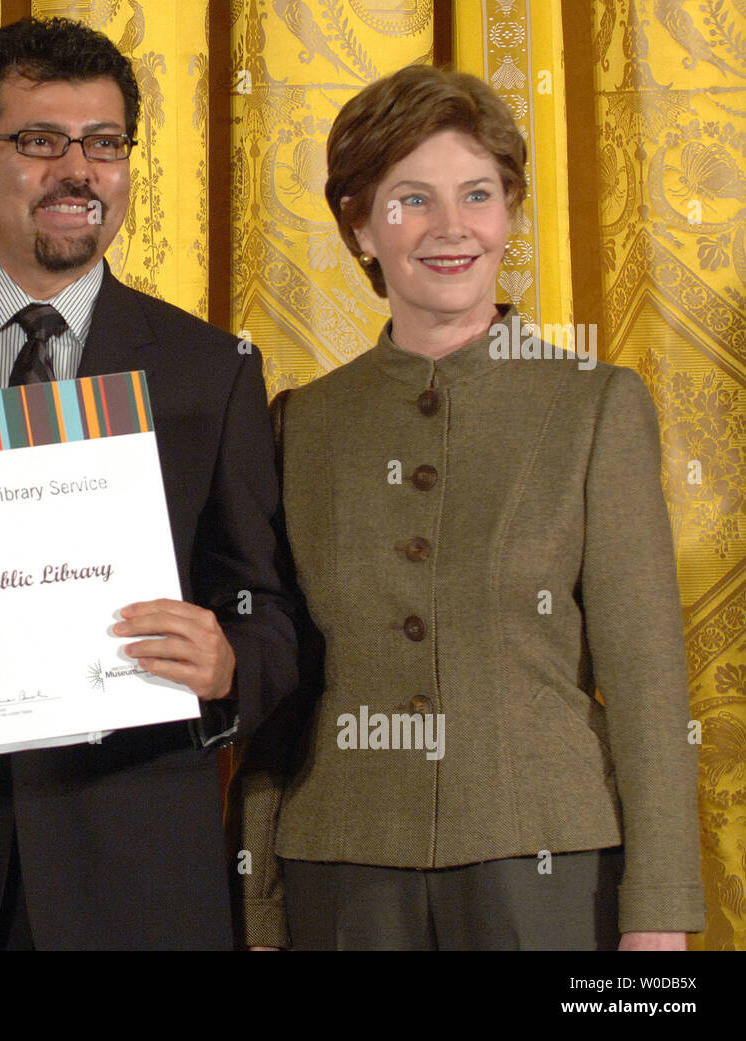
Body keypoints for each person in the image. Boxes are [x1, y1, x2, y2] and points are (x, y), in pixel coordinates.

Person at [0, 17, 299, 949]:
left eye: (105, 144)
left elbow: (270, 610)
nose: (77, 171)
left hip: (122, 864)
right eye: (39, 142)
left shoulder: (213, 369)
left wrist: (230, 663)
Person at [238, 65, 704, 950]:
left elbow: (648, 681)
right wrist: (259, 897)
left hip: (551, 866)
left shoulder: (595, 404)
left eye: (478, 195)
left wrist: (660, 917)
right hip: (341, 867)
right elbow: (278, 679)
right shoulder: (301, 424)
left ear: (510, 213)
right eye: (412, 199)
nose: (451, 228)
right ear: (361, 227)